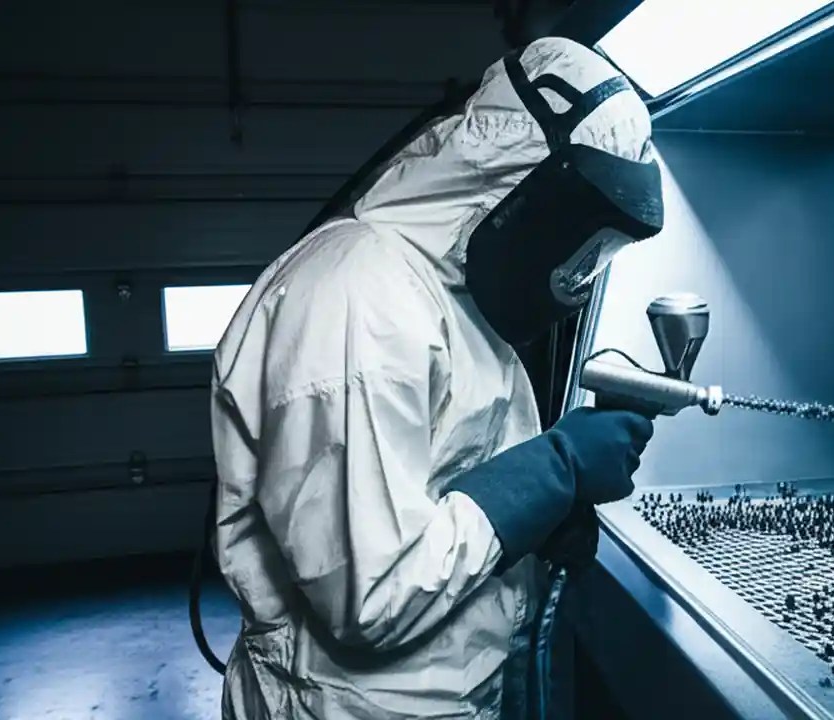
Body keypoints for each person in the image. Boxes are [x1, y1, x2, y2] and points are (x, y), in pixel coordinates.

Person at [209, 37, 663, 719]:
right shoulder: (359, 300)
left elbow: (447, 485)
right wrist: (554, 472)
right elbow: (371, 598)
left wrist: (537, 521)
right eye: (584, 240)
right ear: (525, 188)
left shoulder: (453, 293)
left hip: (437, 696)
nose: (579, 270)